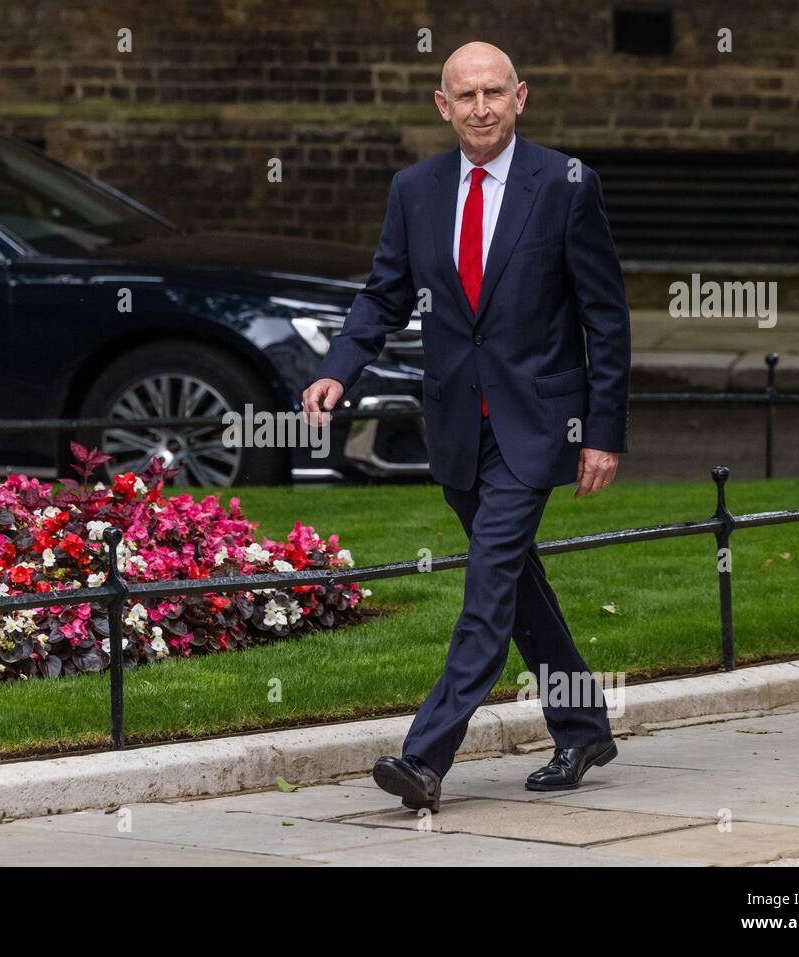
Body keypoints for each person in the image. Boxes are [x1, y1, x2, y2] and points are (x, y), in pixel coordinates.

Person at [301, 41, 631, 812]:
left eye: (494, 91)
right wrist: (337, 368)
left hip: (540, 421)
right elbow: (384, 294)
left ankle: (425, 756)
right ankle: (583, 724)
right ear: (441, 105)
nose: (481, 106)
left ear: (523, 96)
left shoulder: (567, 184)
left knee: (487, 588)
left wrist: (603, 430)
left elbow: (604, 318)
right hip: (456, 423)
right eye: (465, 94)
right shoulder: (415, 189)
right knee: (518, 586)